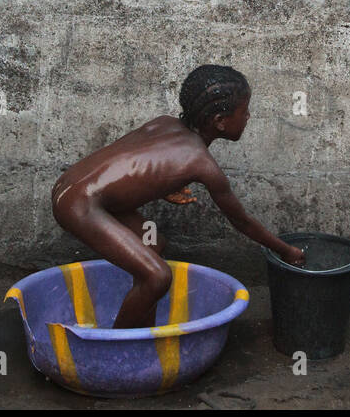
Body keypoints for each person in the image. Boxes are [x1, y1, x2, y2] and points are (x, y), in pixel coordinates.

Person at [51, 64, 304, 328]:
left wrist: (164, 185)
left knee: (153, 246)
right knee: (158, 277)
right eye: (245, 111)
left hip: (70, 184)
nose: (249, 117)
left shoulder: (164, 122)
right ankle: (115, 349)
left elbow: (131, 161)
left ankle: (141, 328)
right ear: (219, 121)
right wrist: (286, 250)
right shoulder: (201, 163)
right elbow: (242, 222)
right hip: (80, 204)